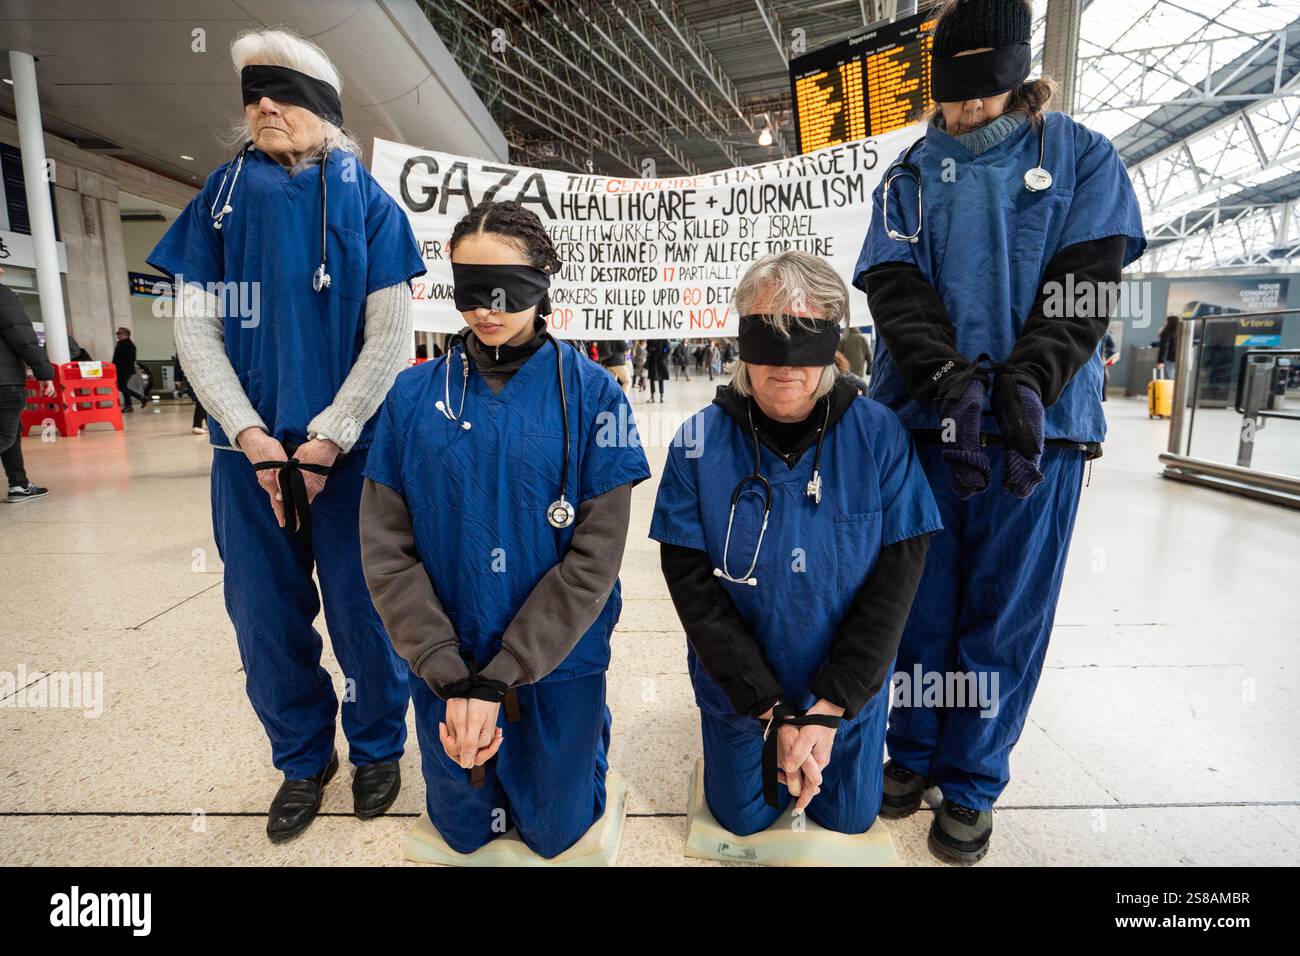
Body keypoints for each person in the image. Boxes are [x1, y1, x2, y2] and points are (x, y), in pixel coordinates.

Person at [852, 0, 1145, 863]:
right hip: (925, 423)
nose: (967, 113)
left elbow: (1088, 281)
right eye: (953, 98)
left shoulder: (1084, 158)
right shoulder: (908, 173)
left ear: (1019, 79)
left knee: (1005, 609)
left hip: (1037, 433)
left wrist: (1026, 380)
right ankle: (909, 753)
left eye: (984, 96)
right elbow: (894, 287)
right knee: (919, 604)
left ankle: (972, 778)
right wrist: (947, 379)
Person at [146, 28, 426, 843]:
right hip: (249, 460)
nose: (263, 106)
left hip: (354, 459)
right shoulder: (221, 200)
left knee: (366, 613)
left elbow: (390, 338)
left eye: (283, 94)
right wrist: (249, 434)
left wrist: (332, 437)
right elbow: (196, 332)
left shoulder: (368, 203)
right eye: (253, 96)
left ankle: (376, 747)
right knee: (264, 620)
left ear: (325, 112)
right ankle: (303, 760)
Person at [360, 200, 650, 858]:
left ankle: (583, 738)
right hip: (447, 662)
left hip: (558, 661)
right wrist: (448, 671)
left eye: (507, 288)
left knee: (555, 831)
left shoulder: (596, 398)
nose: (486, 307)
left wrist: (505, 675)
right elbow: (386, 553)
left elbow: (593, 563)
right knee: (463, 834)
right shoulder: (410, 399)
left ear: (544, 281)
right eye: (469, 288)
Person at [650, 251, 940, 841]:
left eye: (803, 336)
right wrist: (771, 710)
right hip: (742, 692)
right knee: (742, 819)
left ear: (833, 343)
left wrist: (829, 707)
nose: (785, 363)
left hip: (844, 692)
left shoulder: (879, 436)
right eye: (768, 334)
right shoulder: (698, 443)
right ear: (740, 340)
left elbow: (897, 579)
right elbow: (692, 589)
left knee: (847, 818)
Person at [0, 275, 53, 503]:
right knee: (5, 435)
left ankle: (19, 485)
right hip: (4, 381)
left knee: (9, 434)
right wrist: (44, 372)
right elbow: (21, 335)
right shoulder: (2, 294)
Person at [112, 327, 148, 412]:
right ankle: (141, 398)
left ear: (125, 334)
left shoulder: (129, 345)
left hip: (125, 370)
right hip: (120, 369)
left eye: (119, 333)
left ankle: (129, 405)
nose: (117, 335)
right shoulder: (120, 344)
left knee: (122, 386)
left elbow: (131, 359)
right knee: (121, 387)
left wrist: (120, 366)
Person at [1155, 314, 1178, 379]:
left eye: (1166, 321)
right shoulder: (1178, 333)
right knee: (1175, 377)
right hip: (1177, 359)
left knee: (1171, 377)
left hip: (1170, 359)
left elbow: (1164, 348)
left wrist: (1161, 361)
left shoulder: (1167, 333)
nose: (1164, 323)